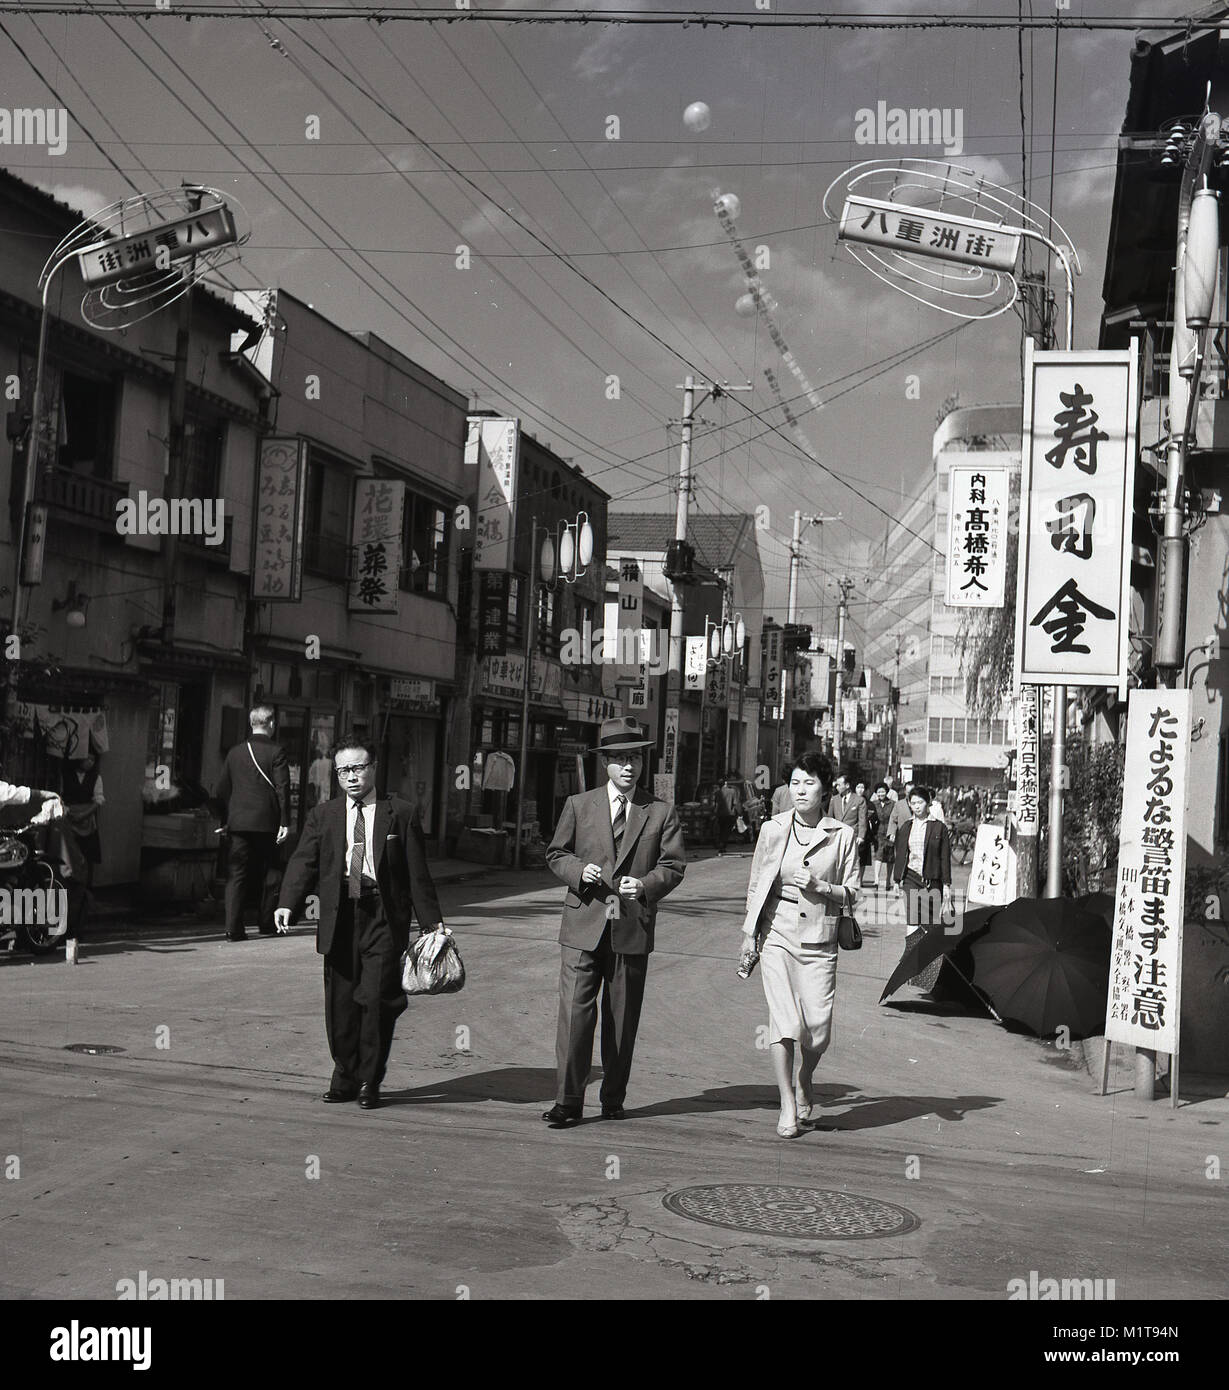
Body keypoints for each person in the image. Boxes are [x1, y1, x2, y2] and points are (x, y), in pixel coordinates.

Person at [274, 737, 444, 1109]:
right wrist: (288, 902)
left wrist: (432, 924)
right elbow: (304, 862)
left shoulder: (400, 812)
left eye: (357, 768)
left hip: (383, 916)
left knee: (377, 1001)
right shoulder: (324, 815)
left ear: (373, 768)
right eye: (342, 771)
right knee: (341, 1003)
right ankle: (344, 1075)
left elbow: (417, 874)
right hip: (340, 917)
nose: (350, 777)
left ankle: (370, 1080)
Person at [543, 716, 686, 1127]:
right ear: (604, 761)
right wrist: (578, 871)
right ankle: (568, 1101)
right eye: (620, 759)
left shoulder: (659, 812)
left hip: (630, 926)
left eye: (635, 759)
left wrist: (643, 885)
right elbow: (556, 853)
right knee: (575, 1014)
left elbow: (674, 865)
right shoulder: (579, 805)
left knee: (622, 1018)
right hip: (583, 924)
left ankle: (613, 1098)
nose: (629, 767)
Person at [740, 751, 860, 1138]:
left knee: (818, 1031)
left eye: (809, 783)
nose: (800, 790)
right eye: (794, 782)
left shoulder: (843, 836)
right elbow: (757, 885)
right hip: (777, 932)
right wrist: (749, 934)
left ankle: (806, 1076)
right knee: (785, 1022)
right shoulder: (773, 828)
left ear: (825, 789)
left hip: (821, 937)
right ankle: (788, 1104)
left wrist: (823, 887)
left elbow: (854, 893)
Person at [213, 705, 291, 941]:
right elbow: (282, 789)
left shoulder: (235, 752)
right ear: (271, 724)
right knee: (271, 872)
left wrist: (225, 819)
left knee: (236, 874)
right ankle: (266, 921)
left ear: (251, 724)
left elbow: (221, 789)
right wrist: (285, 821)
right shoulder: (277, 752)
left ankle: (232, 928)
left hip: (238, 823)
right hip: (267, 822)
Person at [892, 784, 954, 992]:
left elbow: (945, 858)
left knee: (929, 925)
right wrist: (896, 880)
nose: (916, 806)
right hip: (910, 878)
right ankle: (910, 965)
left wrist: (947, 885)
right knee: (912, 920)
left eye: (920, 802)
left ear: (929, 803)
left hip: (932, 880)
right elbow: (900, 854)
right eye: (913, 803)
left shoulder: (939, 828)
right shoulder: (906, 827)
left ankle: (927, 972)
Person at [61, 753, 104, 888]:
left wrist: (83, 814)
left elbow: (98, 800)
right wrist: (68, 812)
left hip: (87, 820)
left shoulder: (96, 778)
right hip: (69, 817)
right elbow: (59, 795)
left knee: (87, 855)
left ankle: (86, 888)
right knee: (70, 852)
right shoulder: (66, 775)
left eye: (93, 760)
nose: (90, 762)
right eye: (88, 758)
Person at [828, 772, 868, 853]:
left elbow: (862, 819)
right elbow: (830, 818)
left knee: (852, 863)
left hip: (853, 836)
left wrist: (861, 836)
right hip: (837, 837)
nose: (837, 787)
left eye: (839, 785)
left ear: (847, 785)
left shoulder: (859, 800)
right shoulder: (834, 799)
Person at [869, 781, 893, 889]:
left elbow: (894, 819)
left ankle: (888, 881)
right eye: (878, 792)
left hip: (889, 833)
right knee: (878, 855)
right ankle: (876, 880)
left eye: (882, 792)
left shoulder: (893, 804)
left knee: (890, 857)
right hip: (877, 833)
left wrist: (893, 832)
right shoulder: (873, 804)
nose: (881, 794)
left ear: (886, 792)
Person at [714, 775, 740, 856]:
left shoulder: (717, 793)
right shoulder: (732, 791)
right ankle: (723, 846)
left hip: (720, 814)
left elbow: (716, 805)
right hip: (730, 814)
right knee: (727, 831)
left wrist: (715, 813)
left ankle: (721, 845)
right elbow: (735, 803)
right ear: (725, 783)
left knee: (721, 830)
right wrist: (739, 814)